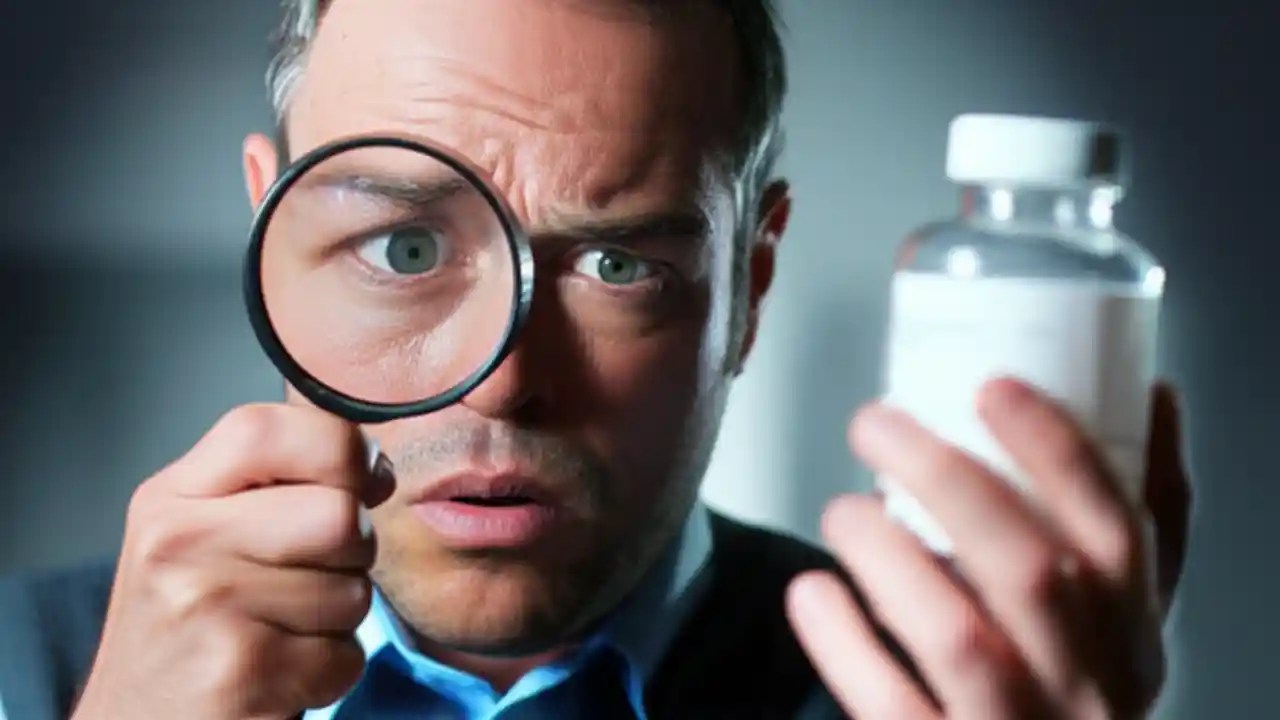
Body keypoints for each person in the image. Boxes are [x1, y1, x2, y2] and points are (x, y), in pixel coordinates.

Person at [0, 1, 1193, 718]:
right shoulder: (32, 671)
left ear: (749, 288)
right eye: (405, 247)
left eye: (618, 266)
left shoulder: (940, 690)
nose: (502, 382)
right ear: (269, 230)